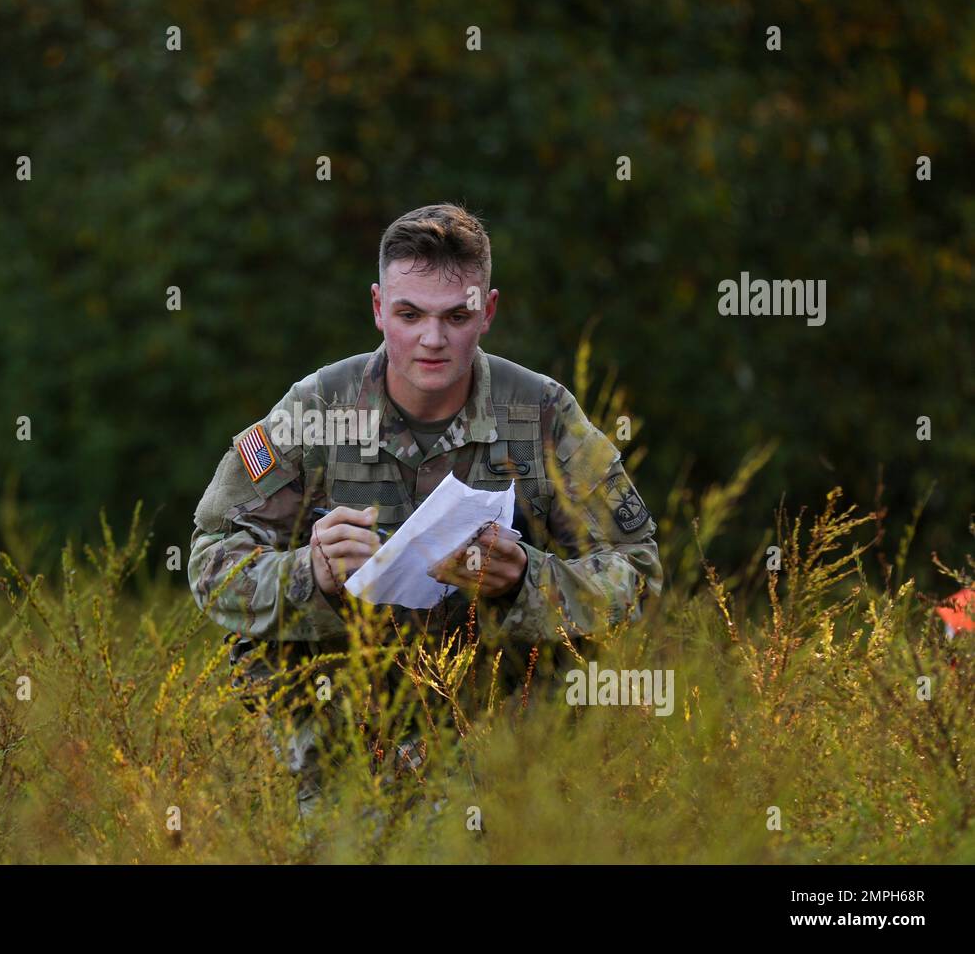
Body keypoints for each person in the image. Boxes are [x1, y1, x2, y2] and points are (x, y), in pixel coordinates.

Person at [188, 203, 663, 816]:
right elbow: (209, 564)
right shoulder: (314, 410)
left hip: (500, 761)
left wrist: (524, 580)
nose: (432, 339)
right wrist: (313, 573)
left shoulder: (541, 415)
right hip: (331, 759)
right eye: (410, 314)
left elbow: (640, 575)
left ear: (486, 311)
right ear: (378, 307)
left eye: (456, 316)